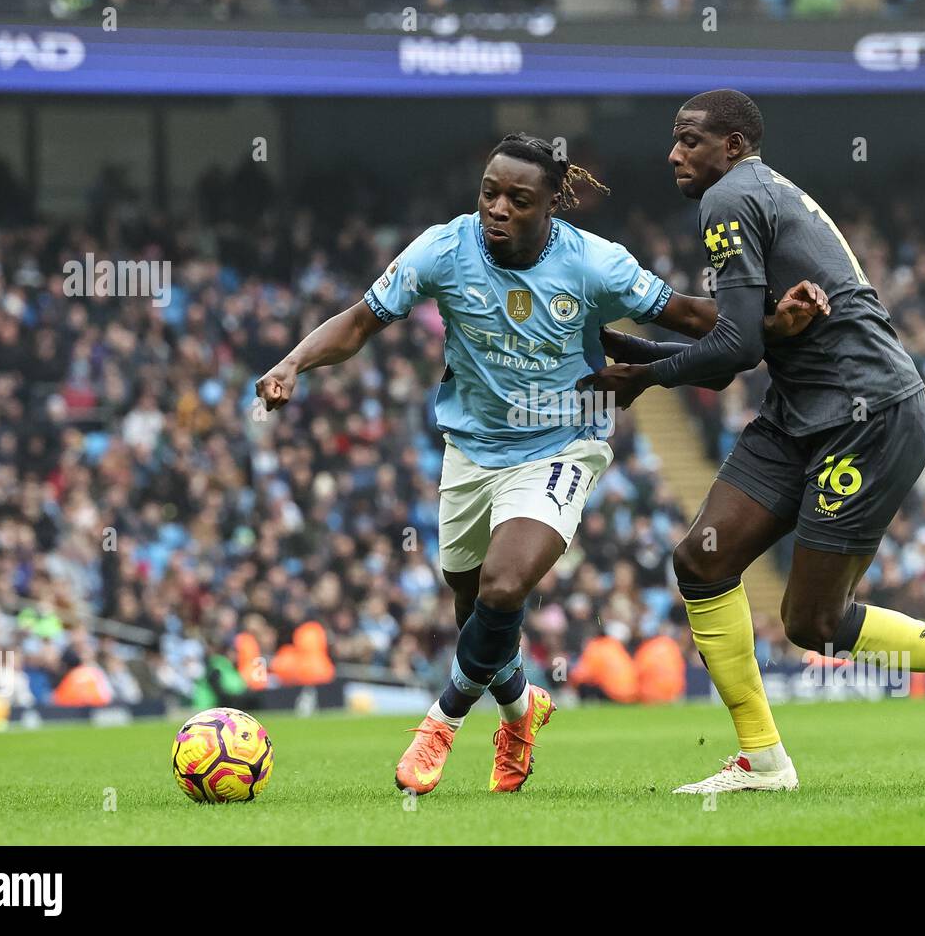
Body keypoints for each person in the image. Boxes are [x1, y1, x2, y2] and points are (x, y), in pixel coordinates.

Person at [256, 132, 827, 795]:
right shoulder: (444, 248)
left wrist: (771, 322)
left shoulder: (593, 263)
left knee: (503, 587)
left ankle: (441, 720)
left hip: (561, 444)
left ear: (553, 204)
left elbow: (690, 314)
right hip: (471, 449)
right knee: (476, 610)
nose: (497, 208)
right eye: (489, 193)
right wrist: (292, 362)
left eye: (518, 199)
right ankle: (521, 713)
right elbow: (360, 320)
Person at [585, 90, 925, 794]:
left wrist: (641, 375)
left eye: (690, 140)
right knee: (700, 561)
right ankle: (763, 760)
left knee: (814, 621)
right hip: (799, 411)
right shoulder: (761, 193)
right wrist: (635, 347)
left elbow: (735, 350)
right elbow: (750, 328)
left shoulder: (728, 199)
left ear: (732, 146)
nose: (674, 153)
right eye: (674, 140)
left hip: (866, 415)